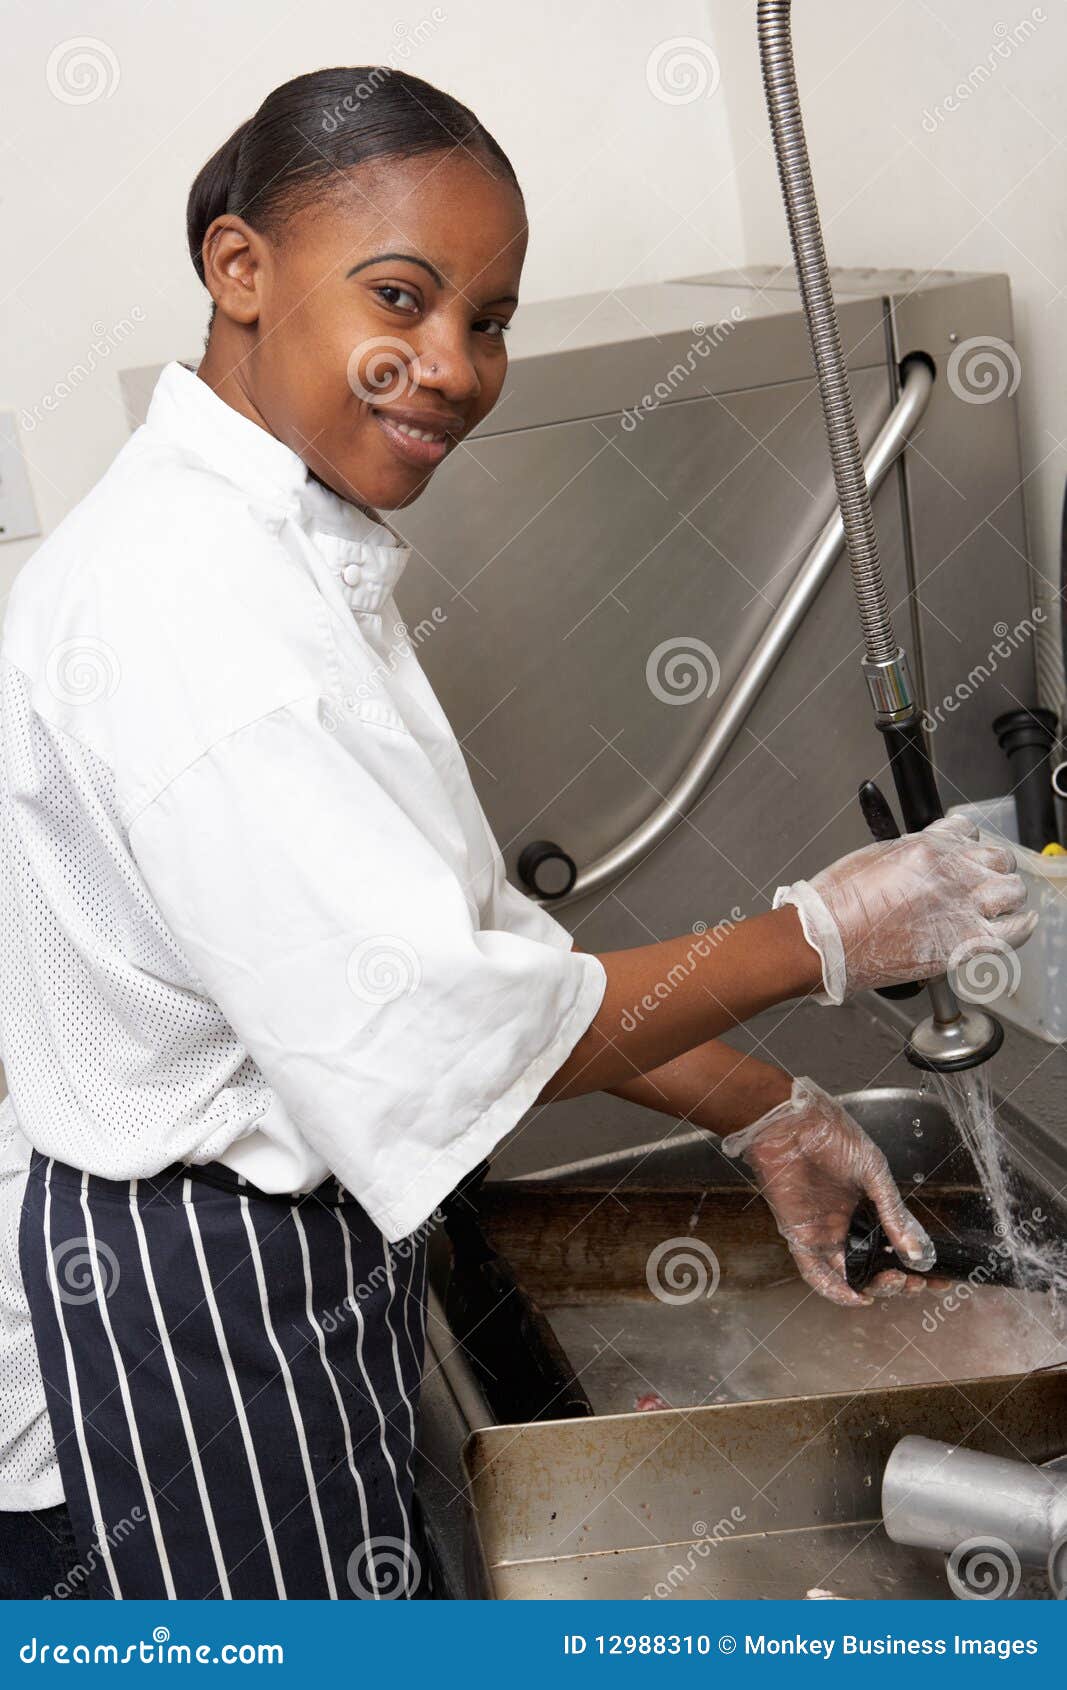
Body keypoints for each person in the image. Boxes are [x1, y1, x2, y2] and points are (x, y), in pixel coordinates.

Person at [0, 68, 1034, 1600]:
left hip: (255, 1276)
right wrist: (826, 933)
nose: (450, 366)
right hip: (182, 1319)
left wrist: (765, 1113)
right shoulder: (197, 620)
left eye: (486, 321)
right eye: (401, 299)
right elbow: (442, 1027)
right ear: (241, 270)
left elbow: (478, 946)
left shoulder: (269, 543)